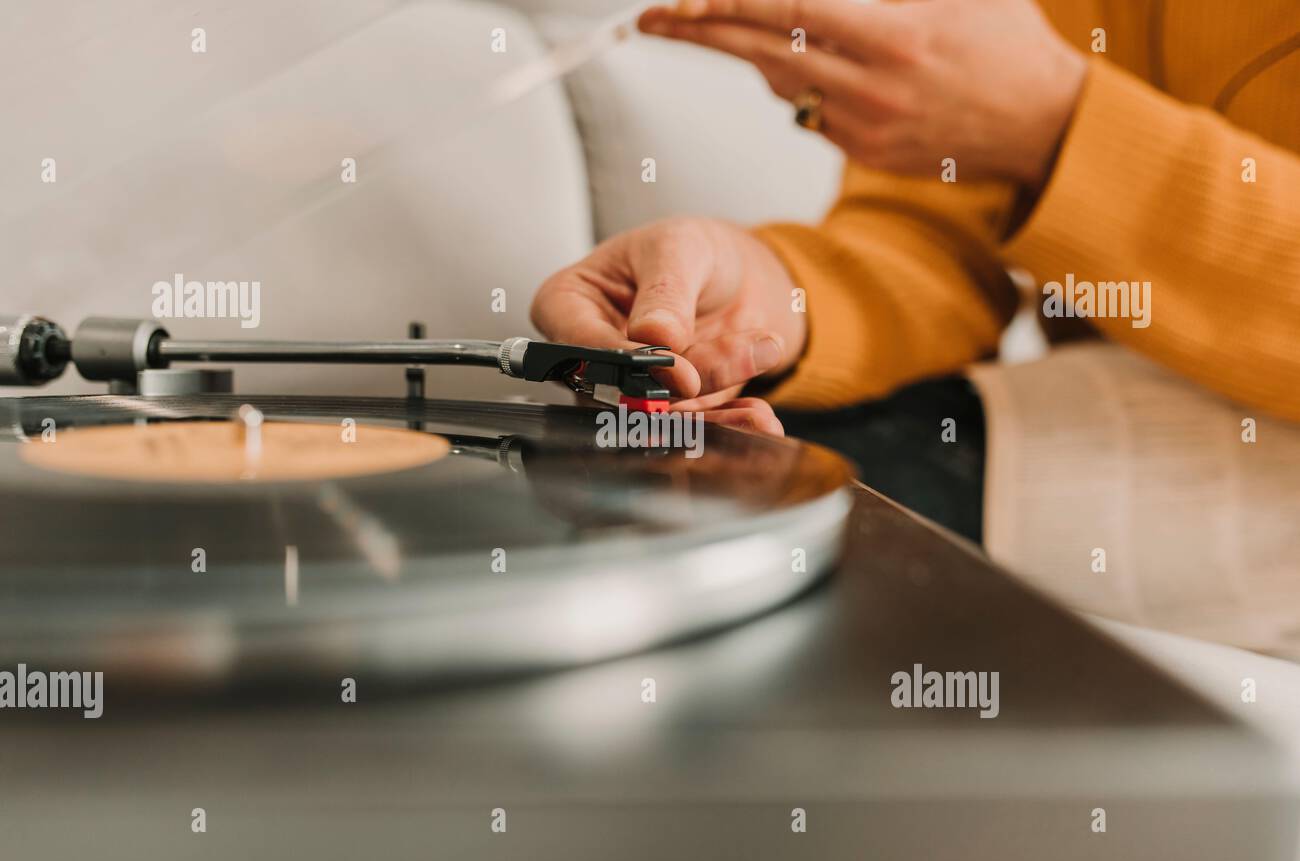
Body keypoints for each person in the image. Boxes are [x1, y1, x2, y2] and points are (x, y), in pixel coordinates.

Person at [529, 0, 1300, 538]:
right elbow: (932, 239)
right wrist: (765, 291)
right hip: (1117, 422)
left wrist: (1060, 128)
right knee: (738, 481)